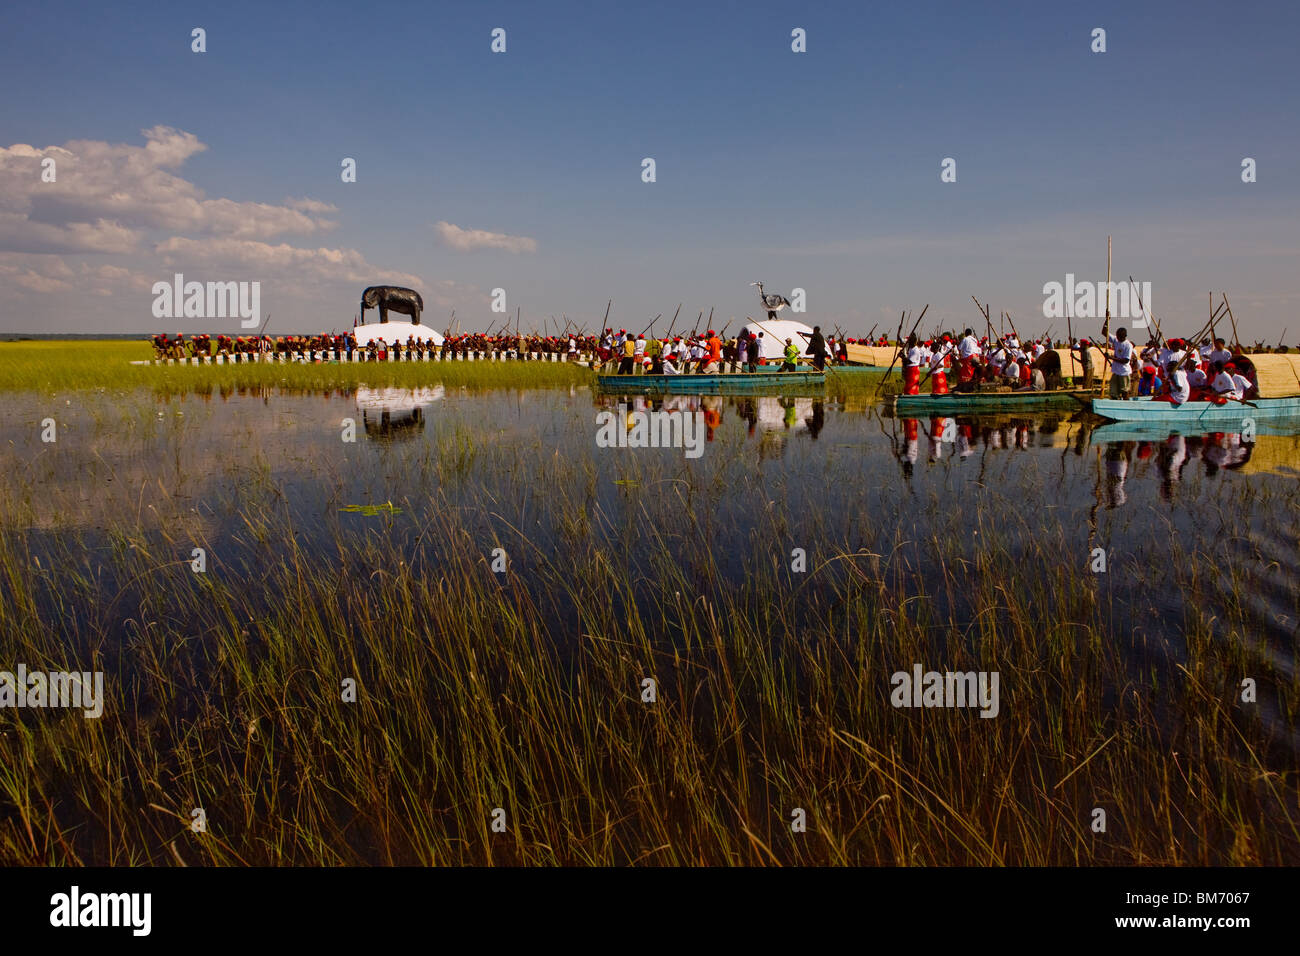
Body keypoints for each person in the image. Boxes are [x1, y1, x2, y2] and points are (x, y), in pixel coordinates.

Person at [1105, 328, 1134, 399]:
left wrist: (1112, 358)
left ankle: (1126, 405)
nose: (1118, 338)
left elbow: (1126, 360)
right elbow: (1104, 332)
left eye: (1120, 336)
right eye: (1117, 336)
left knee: (1124, 391)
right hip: (1116, 371)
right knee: (1113, 392)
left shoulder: (1128, 345)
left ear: (1124, 336)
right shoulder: (1116, 340)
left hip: (1124, 372)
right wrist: (1106, 320)